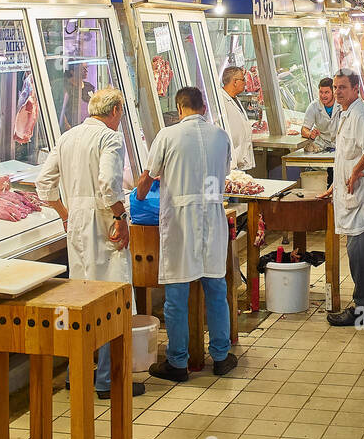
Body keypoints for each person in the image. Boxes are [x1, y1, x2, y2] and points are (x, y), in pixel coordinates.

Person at [37, 88, 144, 399]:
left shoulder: (68, 137)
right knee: (112, 300)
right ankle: (107, 380)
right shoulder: (110, 138)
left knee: (81, 301)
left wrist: (64, 214)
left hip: (78, 225)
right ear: (113, 112)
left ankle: (76, 374)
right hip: (103, 224)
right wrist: (120, 218)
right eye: (120, 115)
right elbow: (109, 184)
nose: (119, 121)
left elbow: (44, 182)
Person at [139, 86, 238, 380]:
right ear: (203, 107)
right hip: (212, 217)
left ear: (179, 109)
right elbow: (223, 172)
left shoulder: (168, 136)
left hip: (181, 222)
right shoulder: (221, 137)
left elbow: (148, 177)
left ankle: (178, 363)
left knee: (177, 295)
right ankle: (220, 357)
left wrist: (139, 195)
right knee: (216, 291)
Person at [321, 69, 364, 326]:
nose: (337, 91)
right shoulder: (346, 113)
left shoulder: (359, 114)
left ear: (356, 89)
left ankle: (361, 310)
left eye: (342, 87)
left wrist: (357, 171)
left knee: (358, 252)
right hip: (351, 193)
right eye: (335, 87)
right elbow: (345, 157)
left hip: (359, 195)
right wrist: (335, 186)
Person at [300, 77, 339, 184]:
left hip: (340, 145)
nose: (323, 96)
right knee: (324, 177)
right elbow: (304, 129)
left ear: (333, 92)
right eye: (321, 92)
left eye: (327, 92)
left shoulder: (341, 104)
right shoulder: (314, 106)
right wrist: (310, 134)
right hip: (323, 146)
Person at [218, 65, 255, 172]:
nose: (245, 83)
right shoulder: (221, 102)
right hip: (231, 163)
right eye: (243, 80)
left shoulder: (235, 99)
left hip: (241, 162)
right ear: (234, 82)